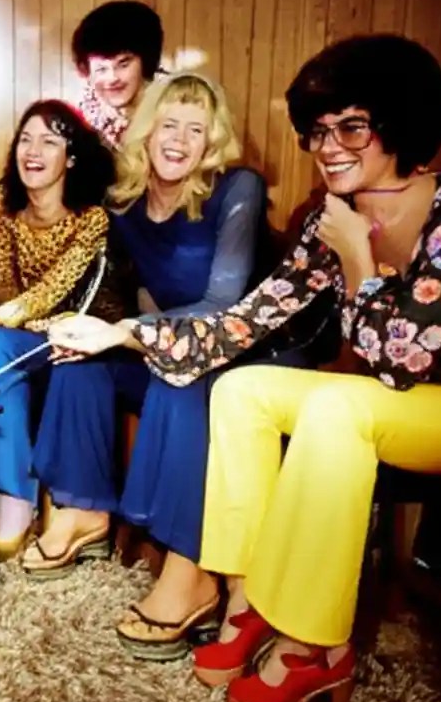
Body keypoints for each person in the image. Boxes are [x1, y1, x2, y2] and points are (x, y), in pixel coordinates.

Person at [48, 35, 441, 702]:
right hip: (405, 401)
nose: (330, 146)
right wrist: (120, 332)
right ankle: (247, 596)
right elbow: (244, 322)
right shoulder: (331, 219)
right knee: (242, 387)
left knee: (337, 411)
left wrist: (358, 262)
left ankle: (313, 648)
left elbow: (401, 361)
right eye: (317, 130)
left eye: (352, 126)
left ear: (397, 125)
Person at [25, 75, 309, 664]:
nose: (180, 140)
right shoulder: (124, 203)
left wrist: (128, 334)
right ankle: (84, 510)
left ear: (213, 142)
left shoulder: (238, 188)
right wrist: (94, 330)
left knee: (181, 380)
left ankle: (191, 572)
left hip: (249, 351)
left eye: (197, 129)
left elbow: (222, 304)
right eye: (169, 123)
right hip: (167, 337)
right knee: (80, 363)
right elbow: (125, 296)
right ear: (146, 129)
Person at [0, 99, 121, 559]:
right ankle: (15, 495)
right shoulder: (3, 201)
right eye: (26, 138)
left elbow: (52, 291)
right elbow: (6, 281)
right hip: (26, 331)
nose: (34, 150)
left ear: (71, 156)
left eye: (50, 140)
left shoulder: (91, 219)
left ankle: (26, 496)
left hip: (77, 337)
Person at [71, 0, 165, 149]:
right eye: (101, 69)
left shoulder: (174, 104)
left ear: (146, 62)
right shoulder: (82, 122)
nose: (112, 78)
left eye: (123, 64)